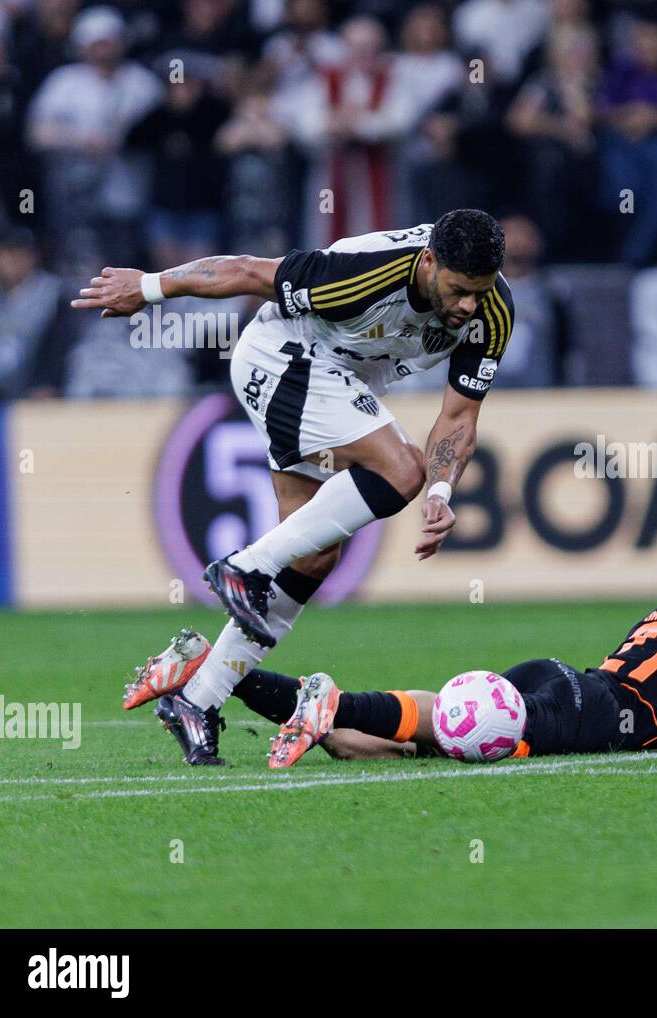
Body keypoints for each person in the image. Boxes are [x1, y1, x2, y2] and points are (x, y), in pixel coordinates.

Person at [74, 209, 515, 764]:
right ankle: (244, 566)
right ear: (429, 261)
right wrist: (150, 287)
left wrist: (442, 494)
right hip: (281, 356)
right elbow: (248, 272)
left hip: (338, 380)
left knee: (311, 560)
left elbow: (458, 419)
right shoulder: (367, 271)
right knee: (402, 470)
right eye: (458, 290)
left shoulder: (492, 311)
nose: (468, 306)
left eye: (479, 291)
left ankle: (198, 699)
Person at [122, 548, 657, 765]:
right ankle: (324, 697)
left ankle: (213, 672)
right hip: (575, 714)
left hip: (562, 687)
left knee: (373, 749)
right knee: (419, 721)